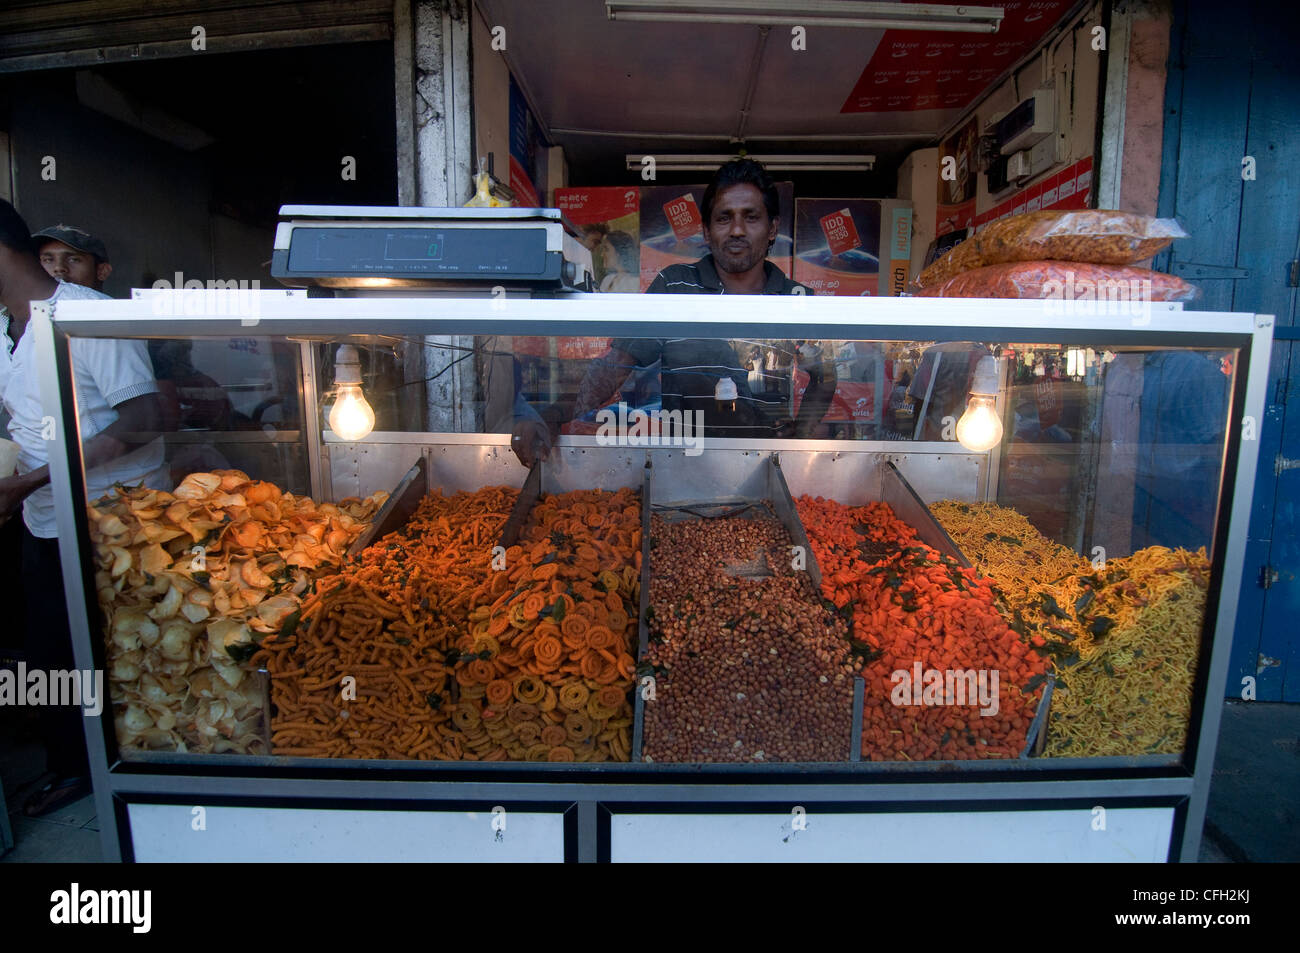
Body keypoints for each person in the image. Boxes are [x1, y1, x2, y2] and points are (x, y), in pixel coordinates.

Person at [0, 200, 166, 816]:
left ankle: (122, 766)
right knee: (51, 648)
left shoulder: (88, 316)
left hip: (114, 522)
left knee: (119, 646)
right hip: (42, 516)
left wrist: (31, 480)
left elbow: (145, 418)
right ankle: (71, 766)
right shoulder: (6, 328)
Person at [511, 158, 831, 464]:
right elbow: (615, 366)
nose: (736, 230)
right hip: (682, 461)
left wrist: (798, 439)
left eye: (751, 217)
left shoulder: (796, 299)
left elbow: (826, 376)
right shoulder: (675, 286)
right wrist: (547, 416)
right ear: (706, 231)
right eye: (723, 217)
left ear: (772, 228)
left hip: (765, 463)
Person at [34, 225, 112, 292]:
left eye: (73, 260)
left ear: (102, 271)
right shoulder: (31, 308)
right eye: (48, 260)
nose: (58, 268)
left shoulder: (118, 309)